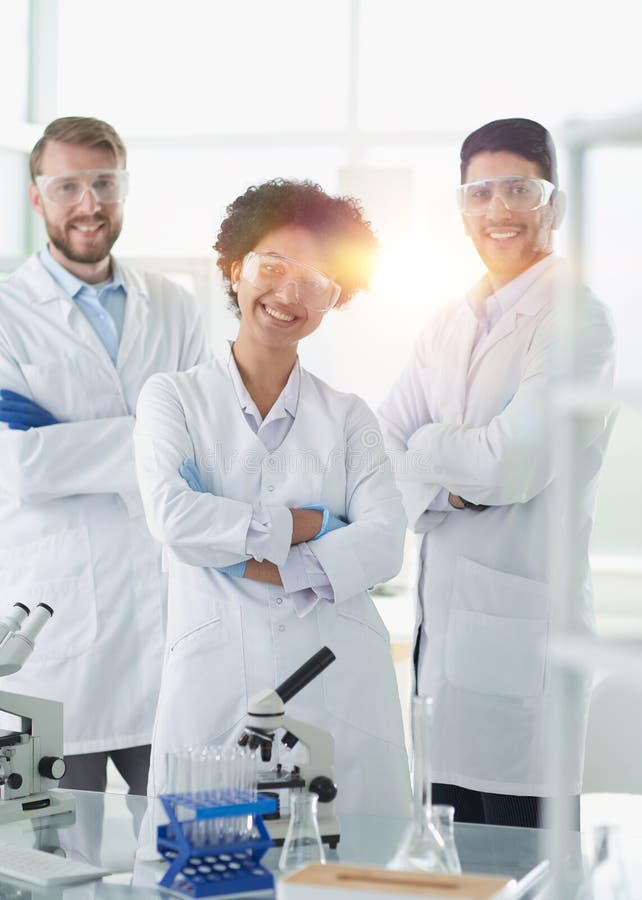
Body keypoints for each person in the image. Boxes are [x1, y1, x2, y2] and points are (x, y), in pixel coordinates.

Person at [133, 179, 411, 815]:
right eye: (273, 264)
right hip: (215, 680)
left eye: (317, 277)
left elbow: (385, 541)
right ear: (234, 268)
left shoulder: (349, 416)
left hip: (338, 677)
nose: (290, 292)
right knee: (208, 864)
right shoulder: (172, 398)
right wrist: (312, 524)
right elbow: (173, 518)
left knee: (343, 870)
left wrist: (243, 554)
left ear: (336, 296)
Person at [379, 118, 615, 828]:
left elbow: (511, 464)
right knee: (451, 869)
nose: (499, 210)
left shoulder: (579, 320)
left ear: (555, 204)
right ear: (461, 208)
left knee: (527, 869)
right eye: (480, 193)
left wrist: (439, 460)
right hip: (440, 662)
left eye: (520, 188)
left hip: (524, 662)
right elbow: (382, 449)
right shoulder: (443, 322)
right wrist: (453, 471)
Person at [0, 117, 209, 794]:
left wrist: (65, 442)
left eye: (103, 183)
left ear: (124, 189)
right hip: (56, 640)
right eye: (67, 187)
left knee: (182, 855)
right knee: (58, 863)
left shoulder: (174, 307)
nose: (88, 204)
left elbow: (207, 446)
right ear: (36, 198)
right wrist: (154, 439)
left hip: (166, 632)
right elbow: (18, 465)